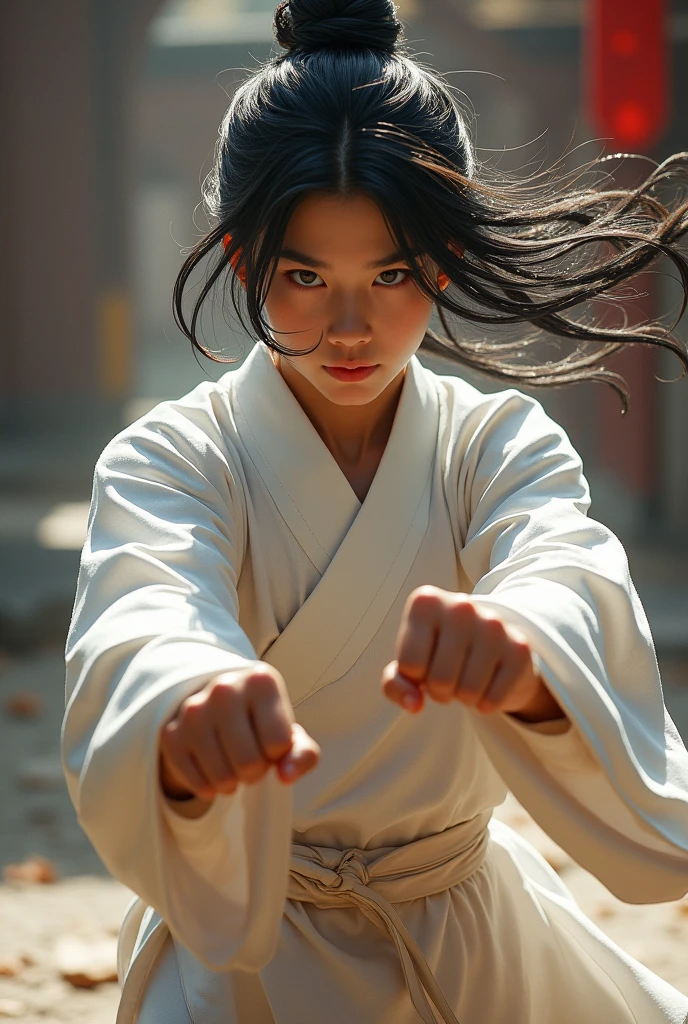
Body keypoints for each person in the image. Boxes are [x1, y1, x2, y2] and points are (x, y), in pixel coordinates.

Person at [62, 2, 688, 1022]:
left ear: (439, 261)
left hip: (463, 934)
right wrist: (191, 704)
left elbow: (562, 566)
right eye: (305, 276)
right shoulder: (172, 457)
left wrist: (522, 650)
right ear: (239, 259)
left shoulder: (496, 445)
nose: (350, 325)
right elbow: (147, 612)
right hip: (244, 952)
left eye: (390, 274)